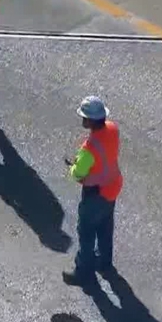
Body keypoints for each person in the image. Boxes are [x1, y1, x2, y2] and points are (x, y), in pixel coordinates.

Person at [63, 96, 122, 286]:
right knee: (105, 226)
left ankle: (83, 272)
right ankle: (104, 262)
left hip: (95, 194)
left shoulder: (89, 149)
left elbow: (78, 174)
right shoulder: (113, 129)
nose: (82, 119)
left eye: (84, 117)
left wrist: (73, 166)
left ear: (89, 121)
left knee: (86, 232)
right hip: (112, 186)